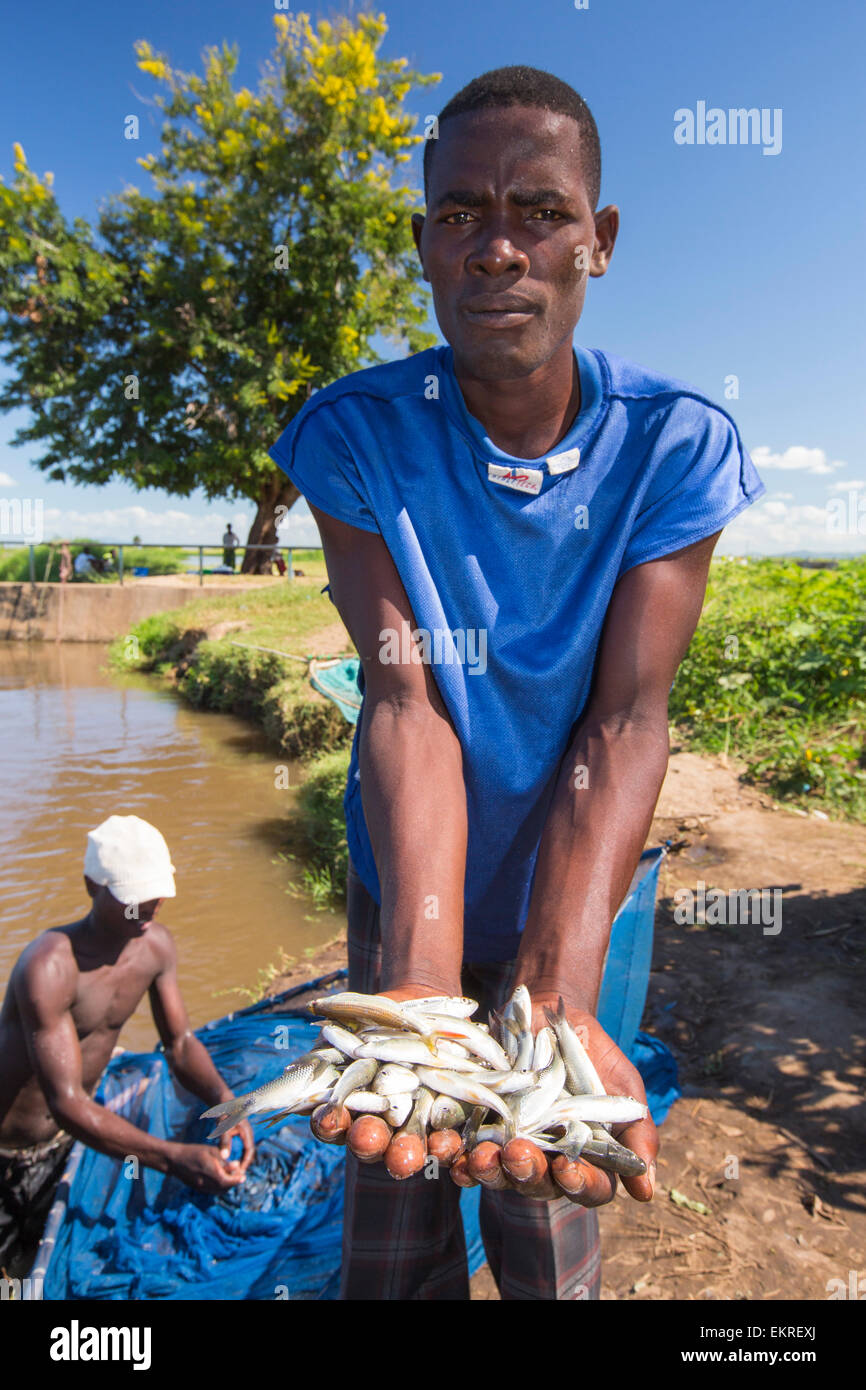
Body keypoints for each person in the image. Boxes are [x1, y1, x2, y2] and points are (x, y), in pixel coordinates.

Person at [267, 66, 765, 1300]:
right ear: (422, 243)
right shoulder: (355, 437)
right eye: (458, 214)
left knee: (541, 1209)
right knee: (393, 1219)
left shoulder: (675, 442)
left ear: (597, 243)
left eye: (539, 211)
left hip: (578, 890)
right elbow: (404, 702)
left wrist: (556, 989)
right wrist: (423, 987)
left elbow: (624, 717)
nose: (497, 248)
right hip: (409, 883)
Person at [0, 816, 254, 1278]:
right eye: (133, 896)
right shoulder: (50, 967)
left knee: (42, 1254)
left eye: (156, 892)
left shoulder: (155, 948)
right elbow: (66, 1102)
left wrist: (225, 1100)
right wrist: (172, 1158)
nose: (149, 905)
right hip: (10, 1148)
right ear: (91, 886)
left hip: (66, 1142)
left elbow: (179, 1044)